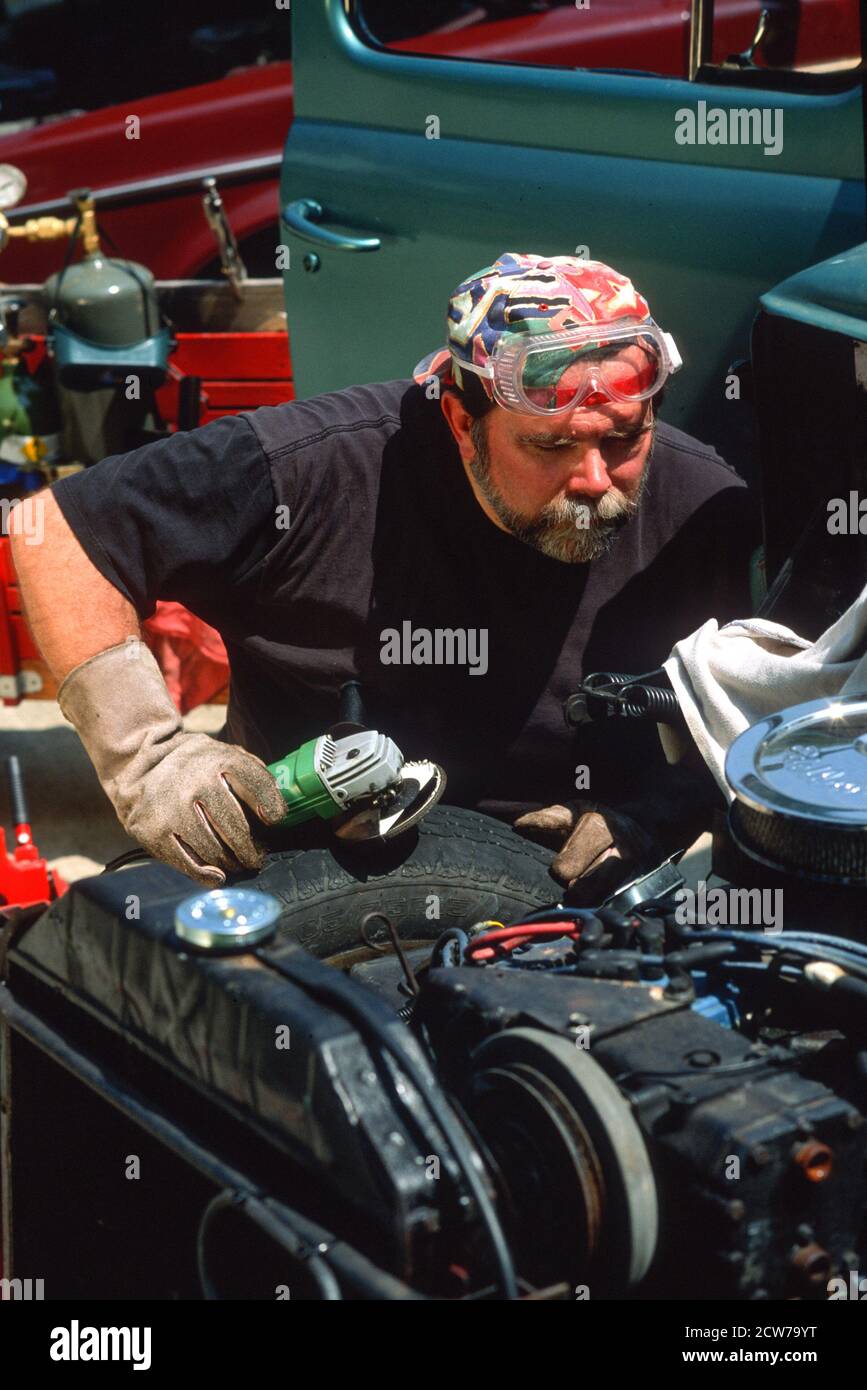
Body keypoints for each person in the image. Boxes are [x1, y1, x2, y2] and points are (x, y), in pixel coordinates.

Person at [10, 251, 759, 891]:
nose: (596, 478)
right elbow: (55, 530)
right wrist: (150, 757)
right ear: (462, 421)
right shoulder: (315, 468)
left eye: (623, 440)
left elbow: (773, 704)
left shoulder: (701, 507)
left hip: (557, 883)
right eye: (550, 447)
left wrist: (662, 810)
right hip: (295, 858)